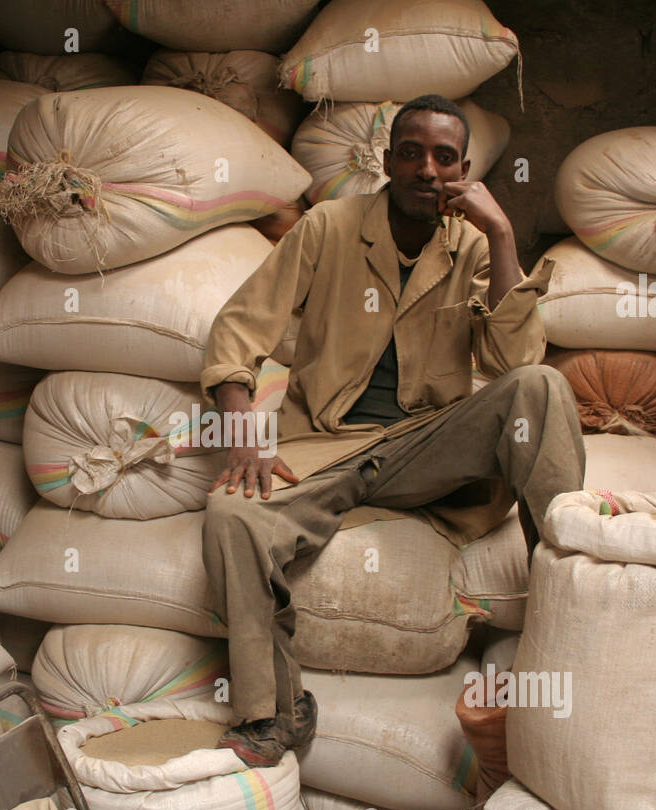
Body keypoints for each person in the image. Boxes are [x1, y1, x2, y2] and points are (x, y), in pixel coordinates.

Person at [199, 94, 587, 768]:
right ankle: (276, 713)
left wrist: (500, 236)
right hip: (323, 445)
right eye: (412, 152)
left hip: (427, 447)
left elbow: (513, 363)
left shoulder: (471, 244)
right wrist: (244, 432)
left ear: (464, 170)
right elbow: (238, 330)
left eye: (444, 157)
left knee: (542, 387)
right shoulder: (329, 227)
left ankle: (579, 603)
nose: (427, 169)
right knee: (231, 514)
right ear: (387, 162)